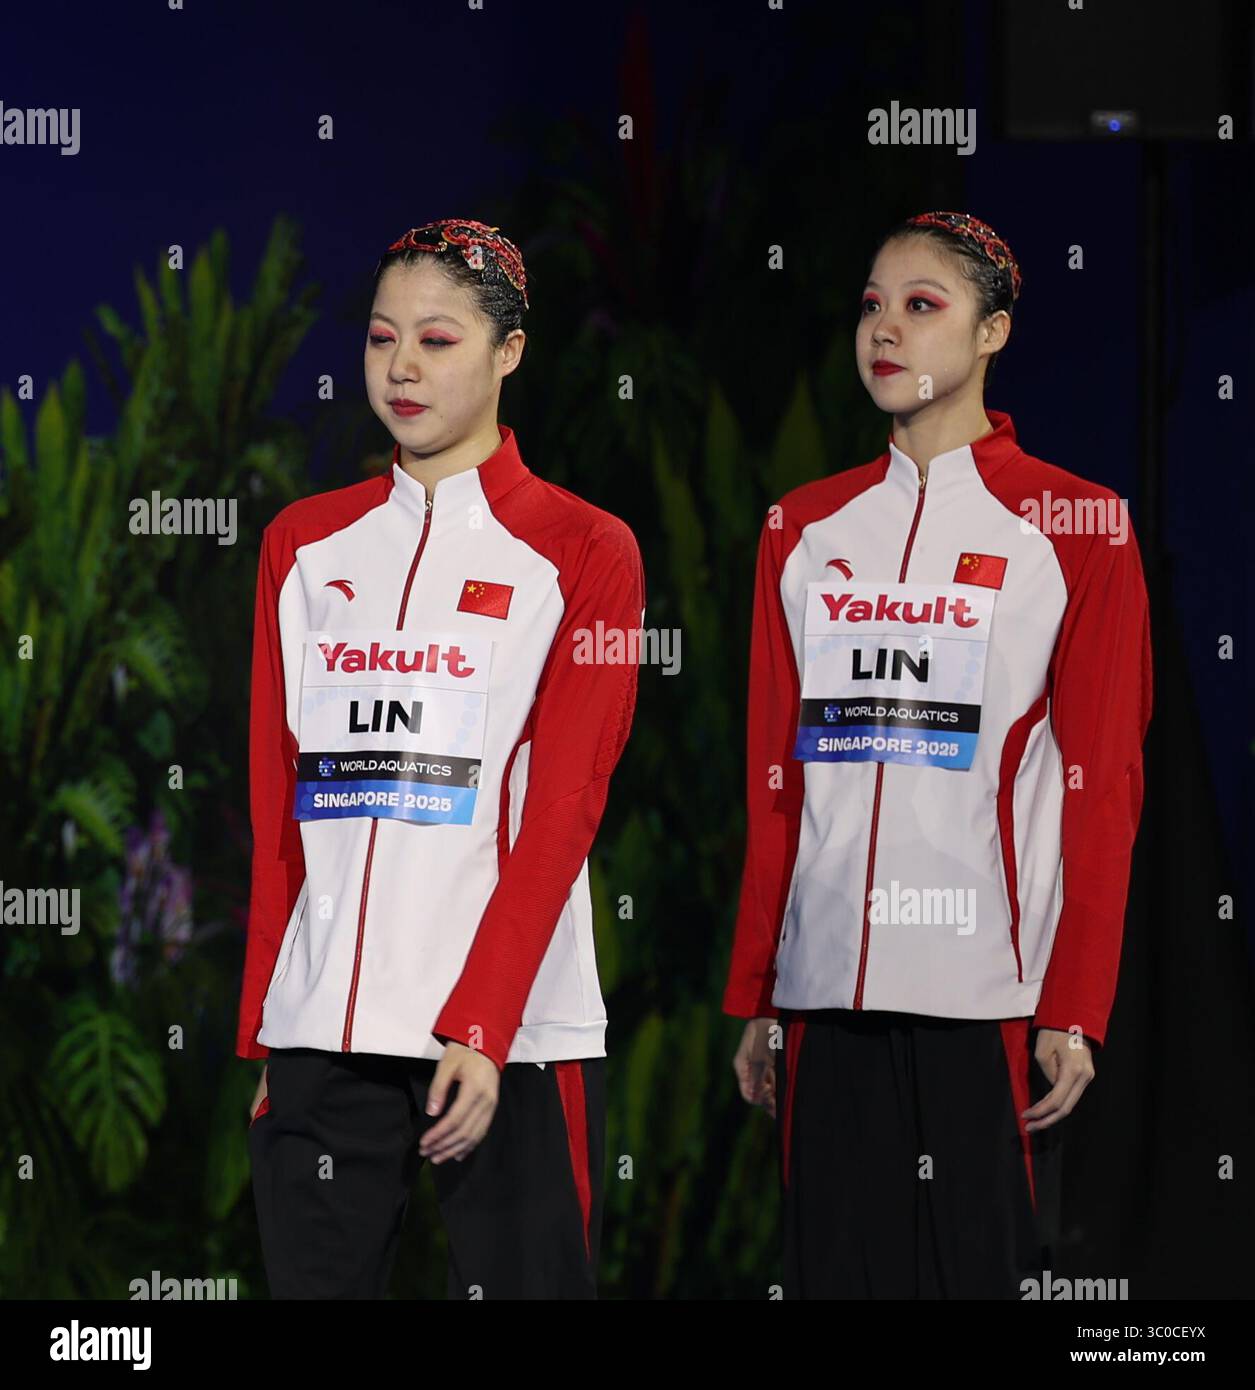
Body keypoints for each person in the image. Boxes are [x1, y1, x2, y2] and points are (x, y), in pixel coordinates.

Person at [724, 211, 1153, 1298]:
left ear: (993, 330)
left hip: (986, 998)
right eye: (873, 304)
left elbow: (1105, 783)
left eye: (923, 307)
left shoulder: (1076, 524)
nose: (887, 330)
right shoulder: (804, 529)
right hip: (826, 999)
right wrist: (759, 994)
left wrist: (1073, 1006)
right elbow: (777, 779)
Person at [237, 218, 645, 1299]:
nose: (402, 367)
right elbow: (279, 803)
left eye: (437, 339)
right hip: (324, 1038)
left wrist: (482, 1020)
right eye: (380, 339)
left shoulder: (585, 548)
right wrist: (269, 1029)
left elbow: (565, 804)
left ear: (509, 351)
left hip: (508, 1040)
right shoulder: (306, 547)